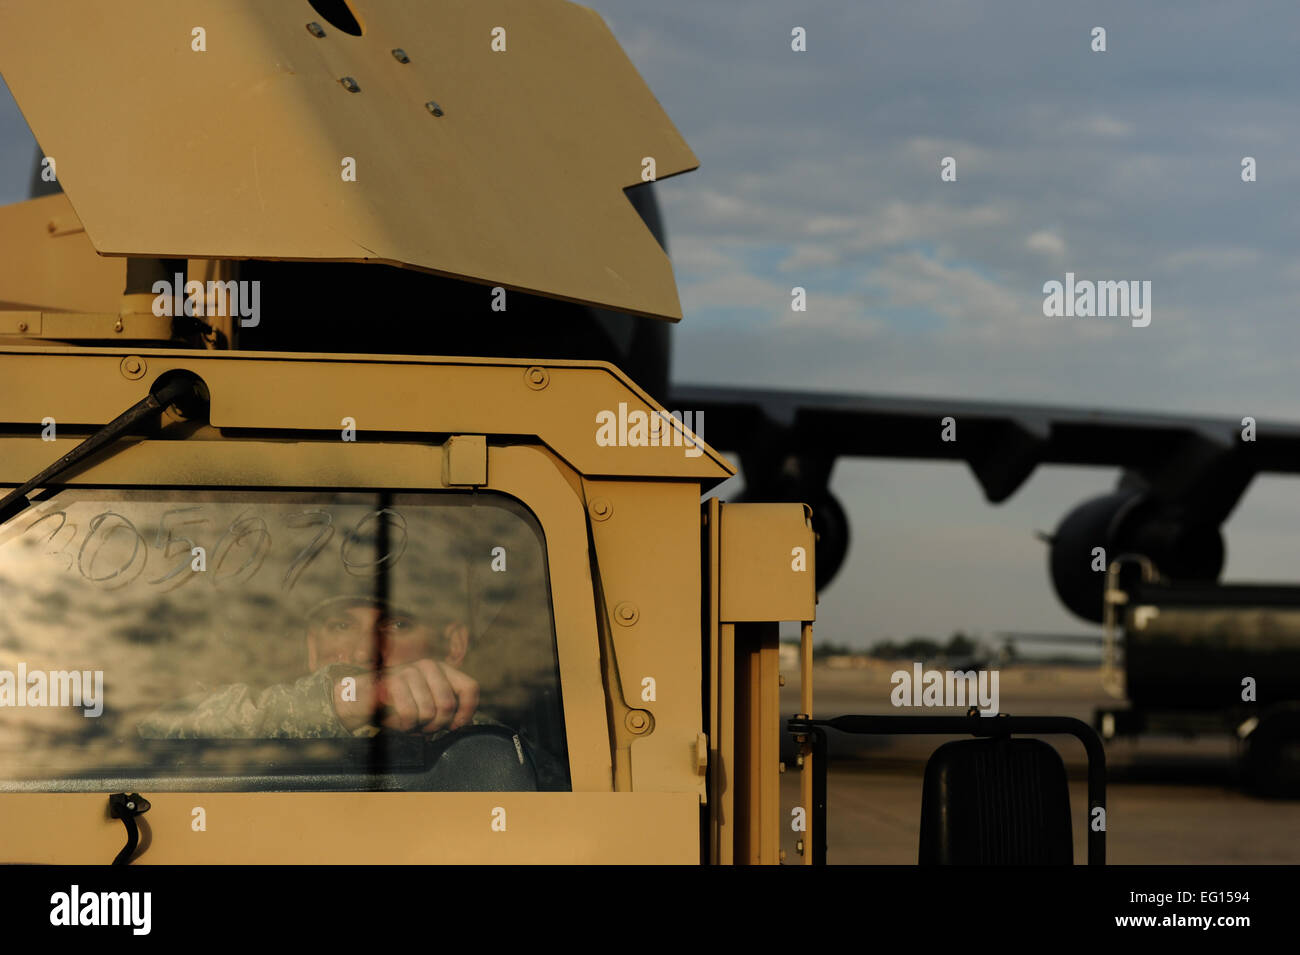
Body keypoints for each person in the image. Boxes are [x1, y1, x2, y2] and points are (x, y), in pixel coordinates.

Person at [137, 595, 481, 740]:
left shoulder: (488, 747)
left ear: (453, 645)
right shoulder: (269, 727)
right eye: (341, 626)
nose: (364, 652)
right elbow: (154, 729)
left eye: (396, 626)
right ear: (313, 647)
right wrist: (343, 703)